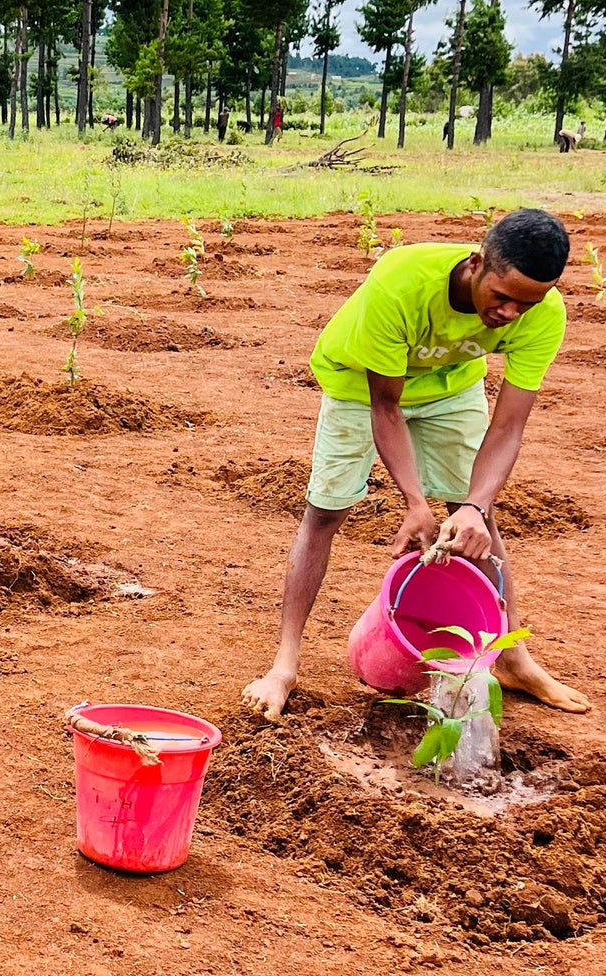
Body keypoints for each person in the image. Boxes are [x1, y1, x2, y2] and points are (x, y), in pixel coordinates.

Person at [242, 207, 586, 723]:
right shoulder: (401, 280)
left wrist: (473, 504)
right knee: (325, 513)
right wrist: (414, 502)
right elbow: (386, 406)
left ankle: (512, 658)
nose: (511, 313)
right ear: (476, 265)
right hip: (359, 384)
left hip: (451, 384)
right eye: (502, 298)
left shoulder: (544, 312)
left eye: (527, 303)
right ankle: (284, 665)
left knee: (480, 525)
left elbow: (509, 426)